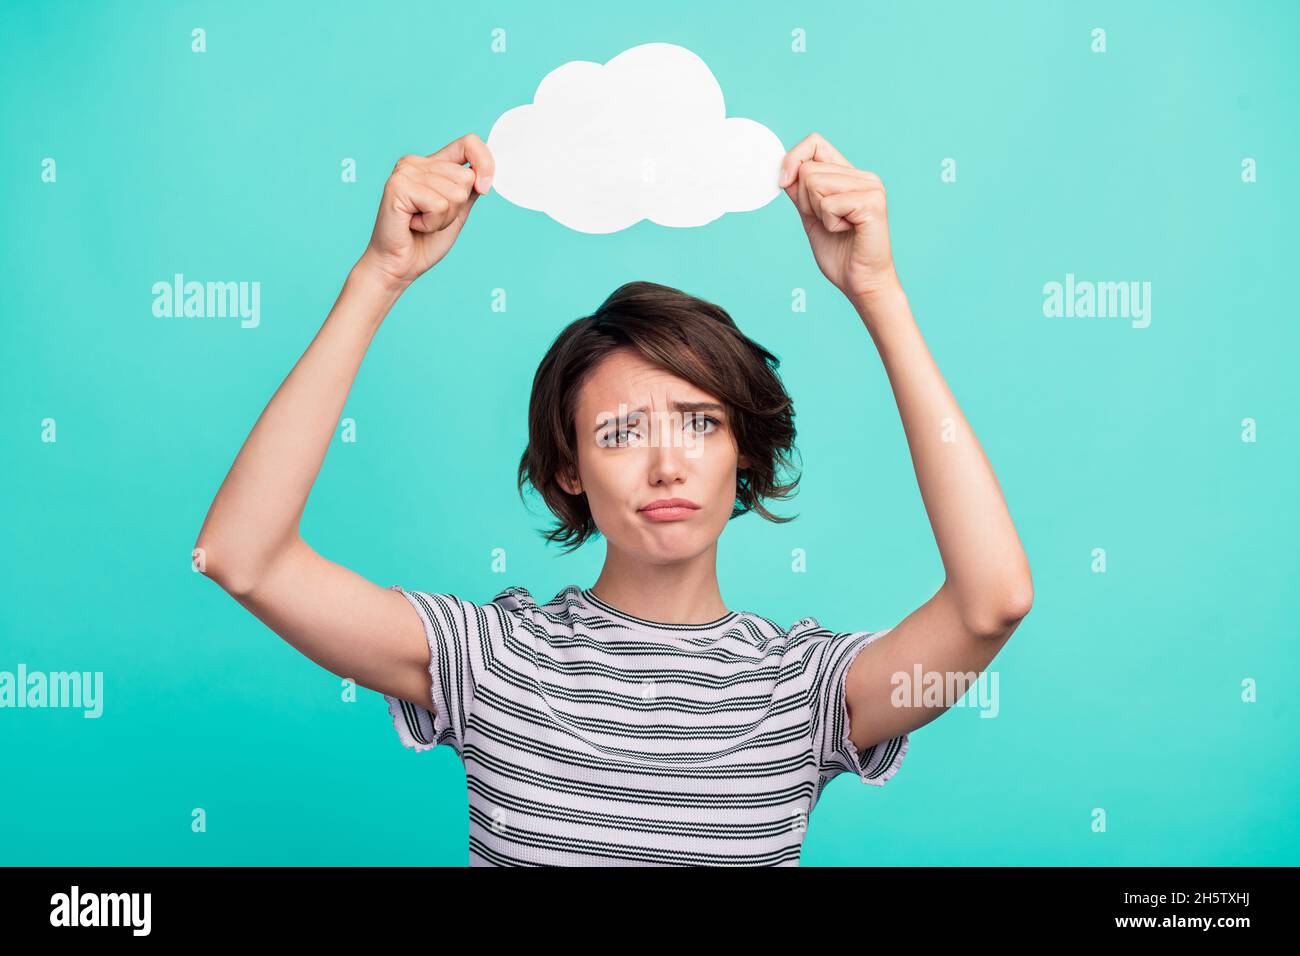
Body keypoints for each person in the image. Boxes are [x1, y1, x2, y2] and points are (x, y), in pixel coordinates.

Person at [194, 131, 1033, 866]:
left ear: (741, 452)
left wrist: (878, 293)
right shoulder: (491, 660)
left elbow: (992, 603)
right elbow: (243, 556)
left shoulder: (804, 692)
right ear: (569, 468)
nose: (666, 466)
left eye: (701, 423)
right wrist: (378, 277)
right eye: (621, 433)